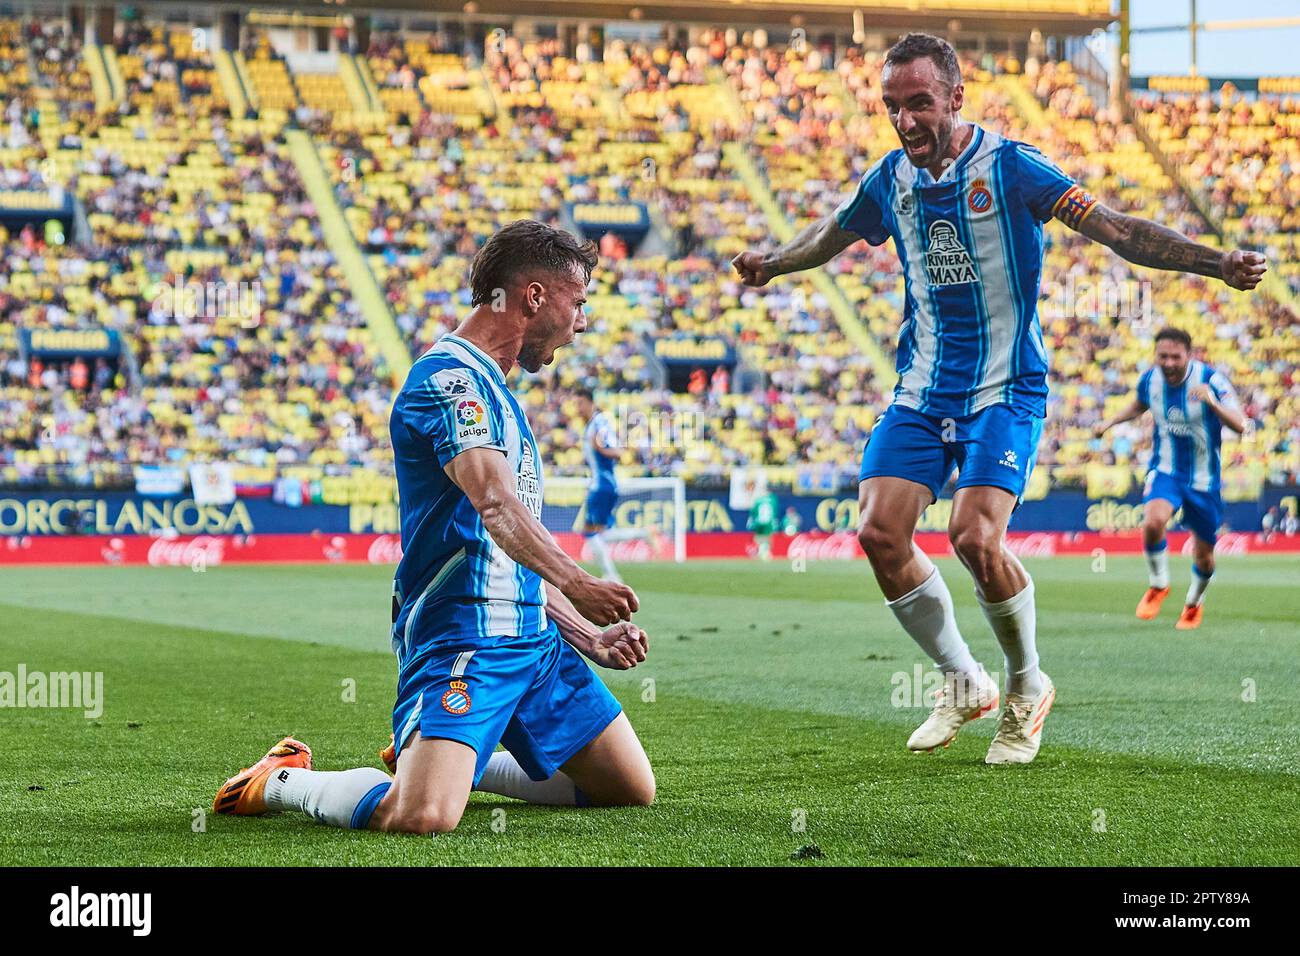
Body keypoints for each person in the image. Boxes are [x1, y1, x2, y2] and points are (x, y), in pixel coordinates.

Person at [731, 32, 1265, 764]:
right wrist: (773, 264)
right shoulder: (891, 180)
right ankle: (964, 680)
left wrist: (1215, 263)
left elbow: (1116, 231)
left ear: (956, 96)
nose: (906, 121)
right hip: (922, 389)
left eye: (920, 103)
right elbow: (834, 234)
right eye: (892, 107)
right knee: (879, 533)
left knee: (974, 537)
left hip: (1005, 387)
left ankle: (1025, 685)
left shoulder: (1012, 169)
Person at [214, 221, 655, 833]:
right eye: (577, 303)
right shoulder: (449, 382)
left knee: (628, 789)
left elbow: (504, 554)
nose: (581, 322)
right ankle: (284, 781)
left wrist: (584, 634)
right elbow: (496, 507)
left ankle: (449, 759)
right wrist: (581, 582)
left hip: (536, 642)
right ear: (533, 297)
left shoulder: (499, 393)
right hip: (465, 638)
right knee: (422, 815)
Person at [1094, 327, 1246, 630]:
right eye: (1163, 356)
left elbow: (1241, 425)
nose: (1169, 362)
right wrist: (1109, 422)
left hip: (1204, 480)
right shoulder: (1150, 380)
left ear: (1188, 355)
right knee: (1152, 521)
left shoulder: (1211, 380)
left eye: (1176, 357)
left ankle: (1193, 603)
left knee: (1204, 557)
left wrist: (1213, 403)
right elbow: (1139, 405)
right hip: (1166, 469)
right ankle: (1159, 583)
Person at [575, 388, 656, 582]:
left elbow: (617, 452)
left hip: (602, 485)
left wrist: (600, 448)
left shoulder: (599, 423)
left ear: (589, 403)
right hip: (599, 483)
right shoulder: (592, 424)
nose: (577, 409)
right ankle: (641, 534)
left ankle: (612, 576)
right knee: (596, 532)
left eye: (579, 404)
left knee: (590, 532)